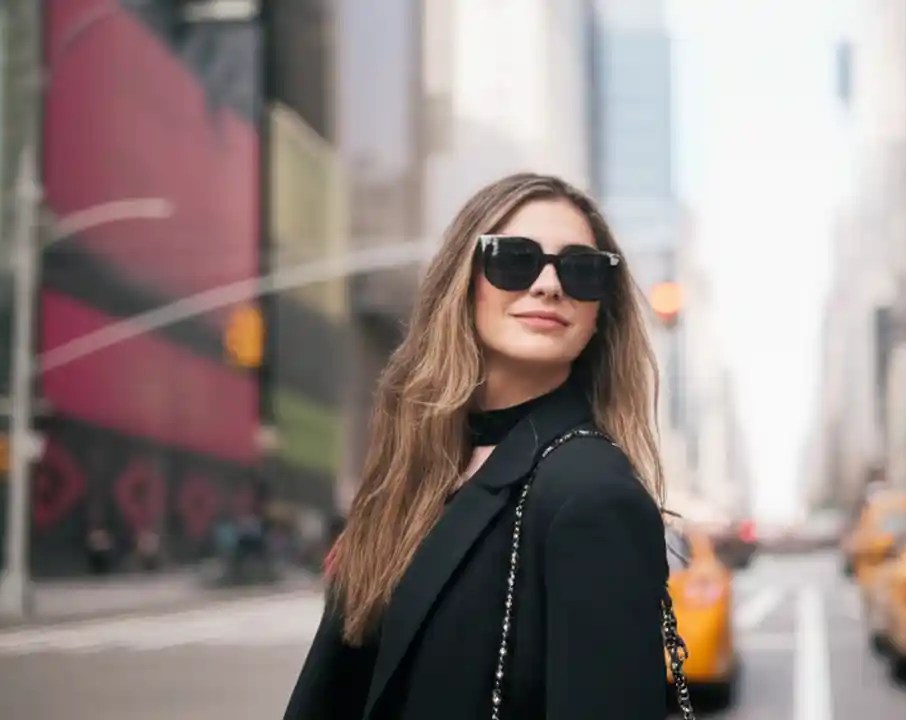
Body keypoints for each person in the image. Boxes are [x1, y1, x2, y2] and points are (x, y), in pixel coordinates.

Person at [283, 173, 671, 719]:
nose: (549, 285)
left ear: (600, 312)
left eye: (582, 269)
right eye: (515, 259)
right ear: (462, 281)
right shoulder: (412, 470)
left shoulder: (592, 495)